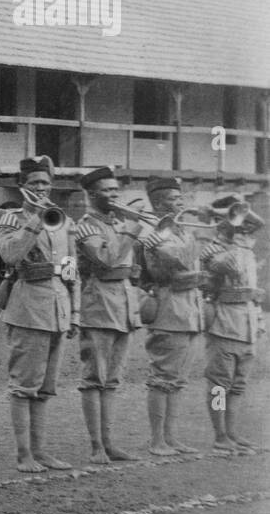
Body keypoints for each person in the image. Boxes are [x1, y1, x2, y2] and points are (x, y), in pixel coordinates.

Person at [0, 156, 79, 472]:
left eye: (45, 183)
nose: (41, 188)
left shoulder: (64, 221)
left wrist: (75, 312)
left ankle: (41, 451)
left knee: (45, 388)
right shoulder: (10, 219)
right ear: (22, 187)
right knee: (23, 386)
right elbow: (11, 254)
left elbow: (72, 270)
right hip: (28, 308)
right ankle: (23, 455)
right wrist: (34, 219)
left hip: (58, 306)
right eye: (34, 183)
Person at [75, 166, 155, 463]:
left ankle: (110, 444)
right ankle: (96, 446)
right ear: (92, 195)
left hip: (123, 305)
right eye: (107, 191)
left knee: (113, 381)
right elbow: (107, 260)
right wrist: (133, 227)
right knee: (94, 378)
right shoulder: (87, 226)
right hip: (98, 305)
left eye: (115, 190)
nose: (113, 195)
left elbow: (128, 266)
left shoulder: (118, 223)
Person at [137, 176, 204, 455]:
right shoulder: (152, 232)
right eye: (174, 200)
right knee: (162, 378)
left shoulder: (181, 231)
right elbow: (175, 263)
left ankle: (171, 437)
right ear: (158, 203)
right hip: (168, 309)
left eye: (181, 199)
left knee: (177, 381)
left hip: (188, 310)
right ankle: (156, 440)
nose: (181, 204)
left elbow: (189, 264)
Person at [201, 195, 263, 453]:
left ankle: (233, 432)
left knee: (238, 385)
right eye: (233, 218)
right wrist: (225, 222)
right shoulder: (212, 249)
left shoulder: (245, 244)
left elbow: (258, 224)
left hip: (248, 323)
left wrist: (238, 210)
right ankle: (220, 434)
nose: (241, 225)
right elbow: (228, 268)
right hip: (225, 323)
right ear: (218, 222)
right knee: (219, 384)